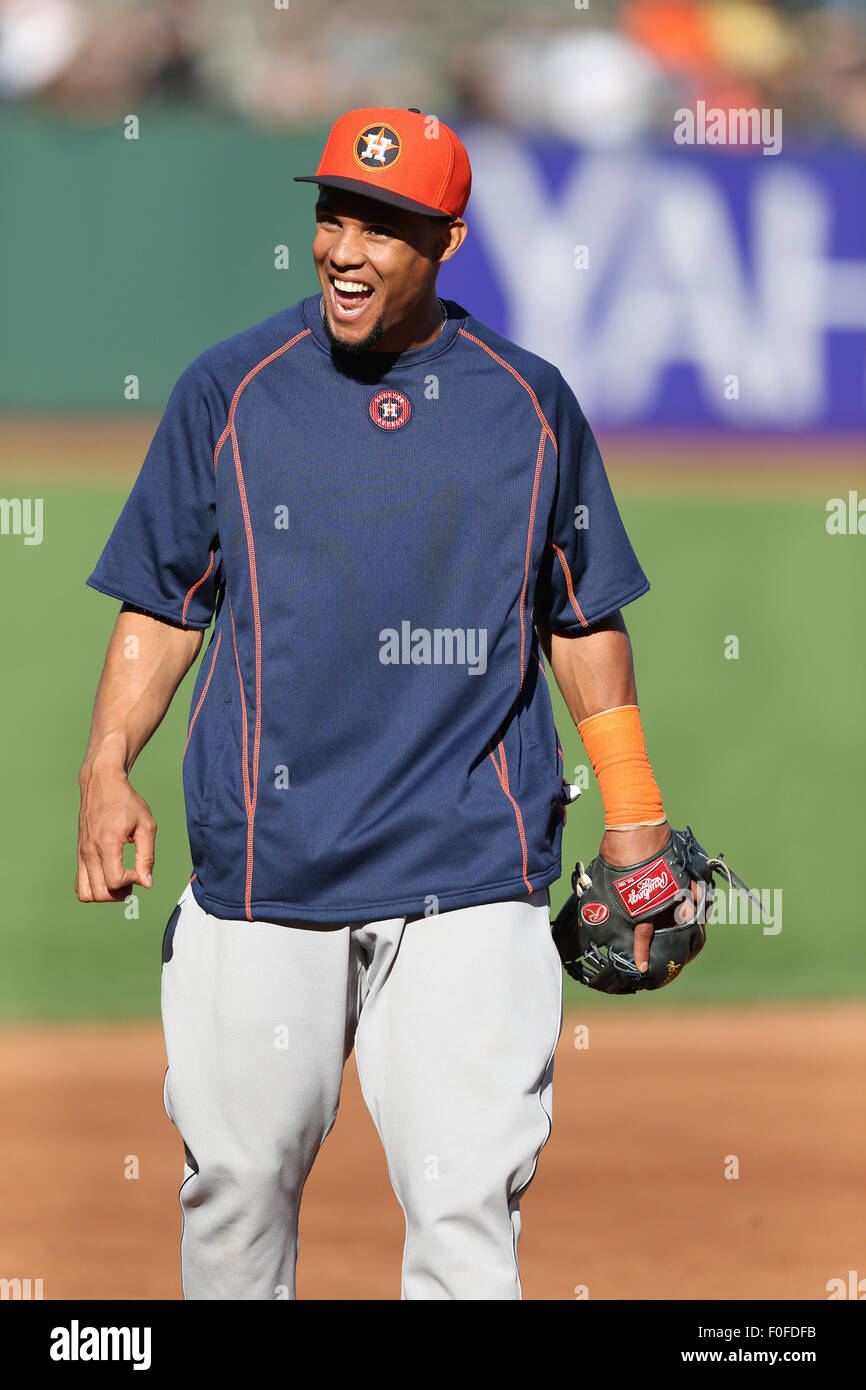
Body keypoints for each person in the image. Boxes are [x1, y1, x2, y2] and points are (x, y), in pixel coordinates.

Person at [77, 106, 691, 1301]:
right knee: (236, 1195)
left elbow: (579, 617)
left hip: (466, 873)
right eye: (333, 216)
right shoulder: (231, 391)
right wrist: (107, 765)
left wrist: (635, 812)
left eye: (387, 226)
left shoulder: (529, 403)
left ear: (448, 240)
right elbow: (163, 601)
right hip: (263, 872)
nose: (347, 249)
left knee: (466, 1209)